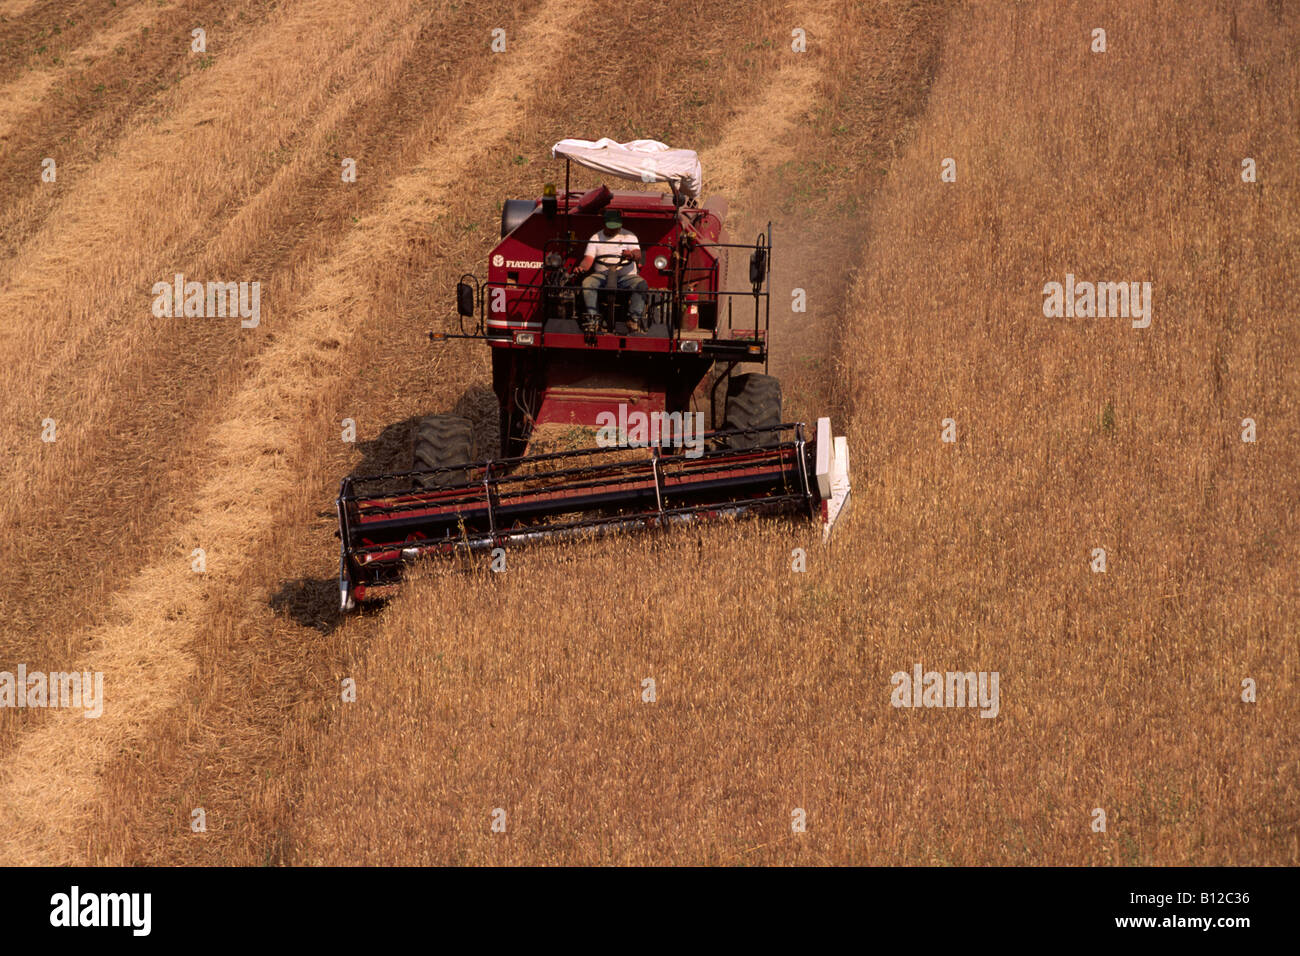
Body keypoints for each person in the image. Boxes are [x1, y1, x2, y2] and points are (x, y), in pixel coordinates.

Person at [578, 208, 649, 333]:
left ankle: (633, 319)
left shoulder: (629, 236)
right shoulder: (596, 237)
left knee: (641, 284)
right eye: (610, 227)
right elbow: (588, 260)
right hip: (602, 275)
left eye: (616, 227)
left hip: (625, 276)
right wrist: (581, 268)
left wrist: (631, 255)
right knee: (587, 283)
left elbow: (638, 254)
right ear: (604, 224)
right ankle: (593, 319)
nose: (613, 229)